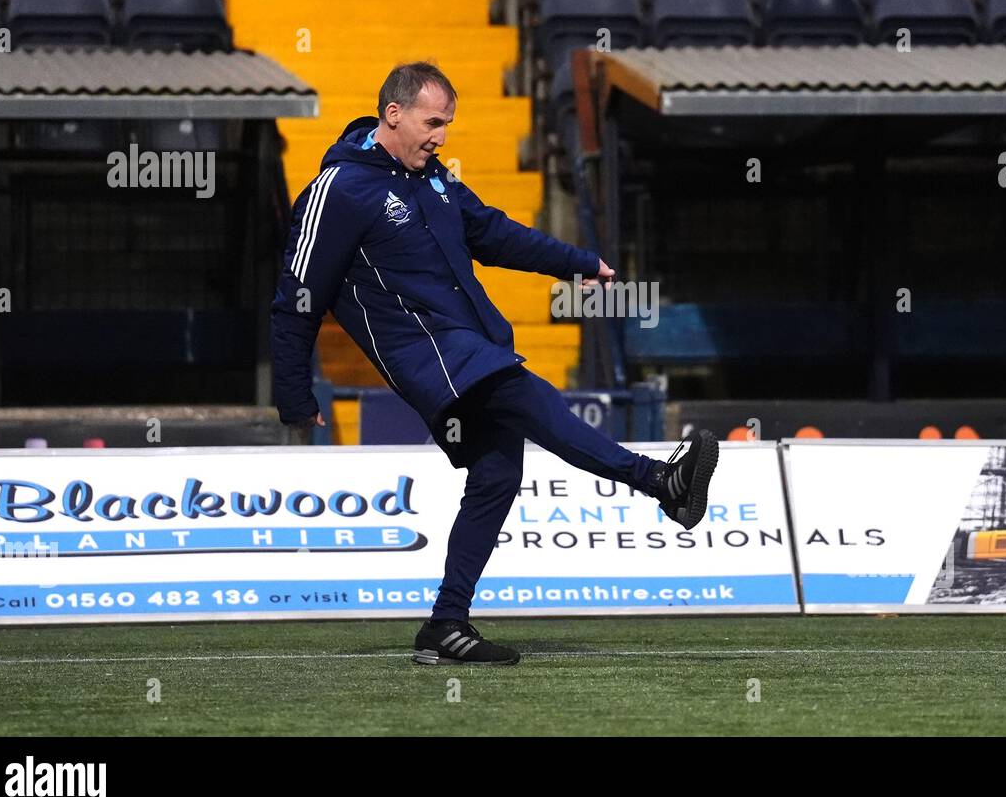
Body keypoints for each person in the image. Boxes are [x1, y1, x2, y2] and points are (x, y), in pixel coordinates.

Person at [270, 61, 719, 665]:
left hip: (470, 347)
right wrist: (295, 396)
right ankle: (661, 482)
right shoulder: (339, 189)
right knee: (536, 399)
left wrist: (576, 262)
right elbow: (296, 298)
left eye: (448, 125)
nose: (441, 137)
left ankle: (445, 626)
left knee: (497, 477)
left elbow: (494, 234)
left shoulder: (432, 178)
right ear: (393, 115)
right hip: (432, 357)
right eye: (432, 123)